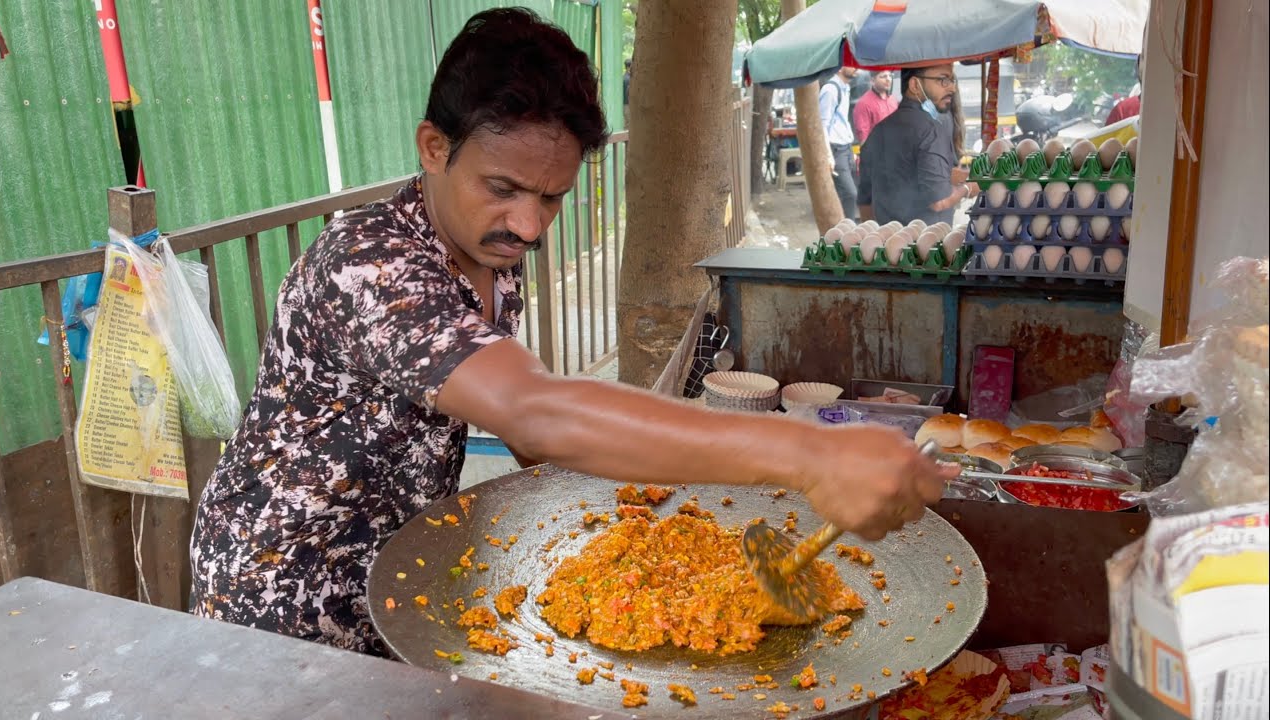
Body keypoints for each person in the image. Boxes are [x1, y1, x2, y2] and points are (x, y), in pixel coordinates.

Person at [189, 8, 956, 657]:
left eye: (552, 199)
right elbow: (535, 410)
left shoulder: (486, 248)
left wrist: (659, 520)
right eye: (504, 189)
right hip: (282, 598)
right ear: (433, 148)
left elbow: (531, 427)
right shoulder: (370, 266)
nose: (528, 225)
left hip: (393, 572)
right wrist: (808, 455)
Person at [858, 64, 976, 226]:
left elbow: (865, 201)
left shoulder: (878, 131)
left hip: (886, 241)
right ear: (914, 85)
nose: (952, 88)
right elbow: (939, 201)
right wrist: (968, 188)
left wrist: (877, 239)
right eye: (942, 80)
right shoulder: (932, 131)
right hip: (927, 243)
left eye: (951, 80)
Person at [818, 66, 859, 220]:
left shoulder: (845, 88)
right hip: (835, 149)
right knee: (849, 193)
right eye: (851, 64)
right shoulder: (830, 90)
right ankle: (847, 233)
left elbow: (842, 120)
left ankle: (847, 230)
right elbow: (823, 125)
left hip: (846, 147)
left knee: (852, 192)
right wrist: (828, 155)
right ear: (840, 68)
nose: (856, 67)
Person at [852, 70, 899, 146]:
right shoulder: (863, 104)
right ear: (873, 80)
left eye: (890, 76)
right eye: (883, 76)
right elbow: (863, 135)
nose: (888, 79)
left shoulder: (893, 100)